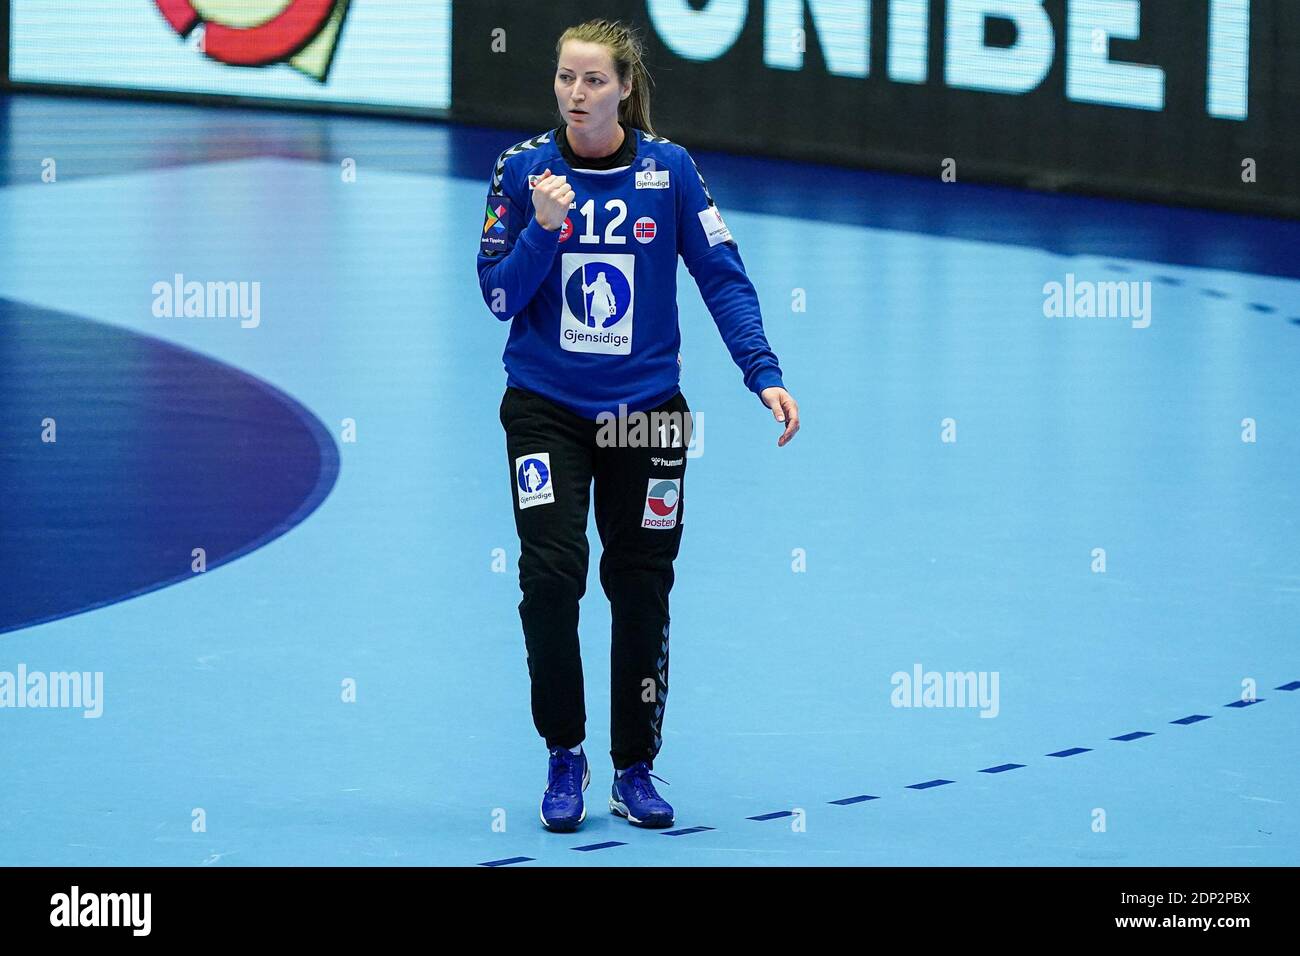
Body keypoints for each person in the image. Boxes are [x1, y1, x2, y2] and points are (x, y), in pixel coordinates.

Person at [476, 18, 800, 832]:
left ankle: (635, 766)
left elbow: (722, 278)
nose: (575, 94)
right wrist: (545, 232)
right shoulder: (523, 173)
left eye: (592, 80)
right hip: (547, 410)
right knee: (550, 579)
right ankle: (564, 754)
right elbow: (497, 297)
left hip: (647, 416)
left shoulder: (670, 172)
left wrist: (763, 374)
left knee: (642, 587)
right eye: (563, 79)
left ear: (625, 86)